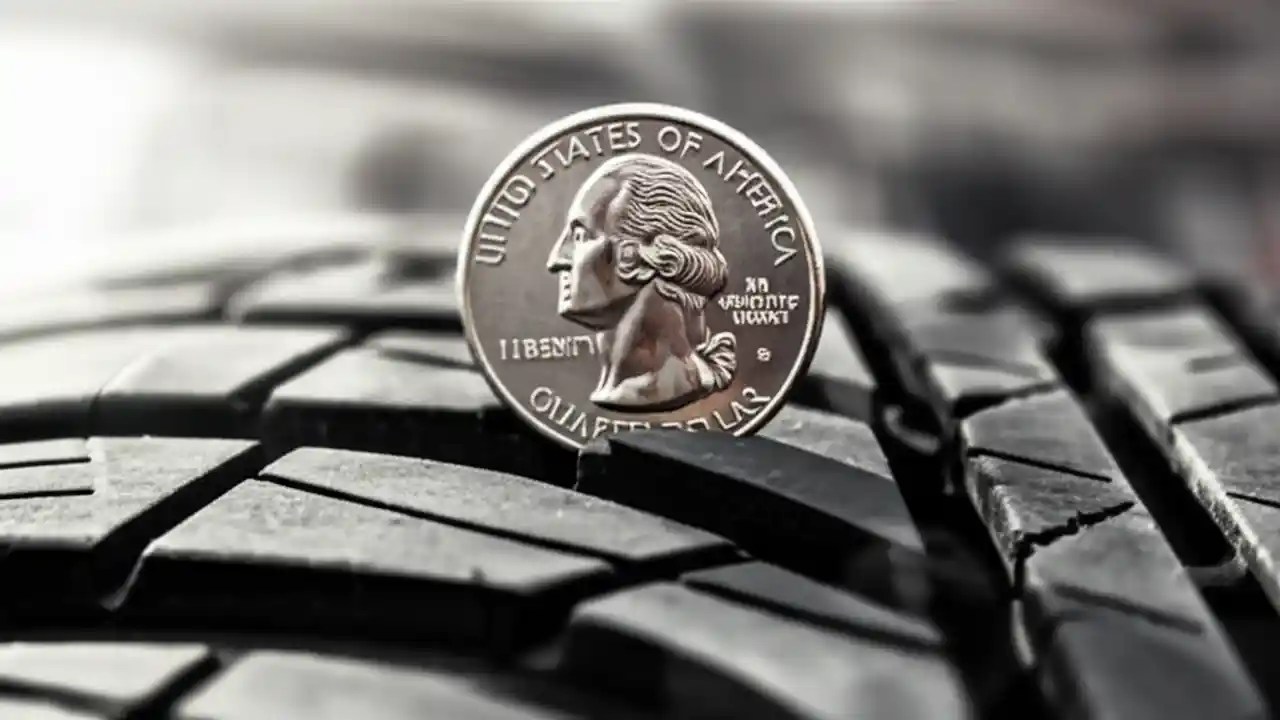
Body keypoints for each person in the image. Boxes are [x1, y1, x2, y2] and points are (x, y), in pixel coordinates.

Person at [546, 153, 737, 412]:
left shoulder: (670, 385)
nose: (556, 259)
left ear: (639, 256)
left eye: (580, 235)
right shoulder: (624, 388)